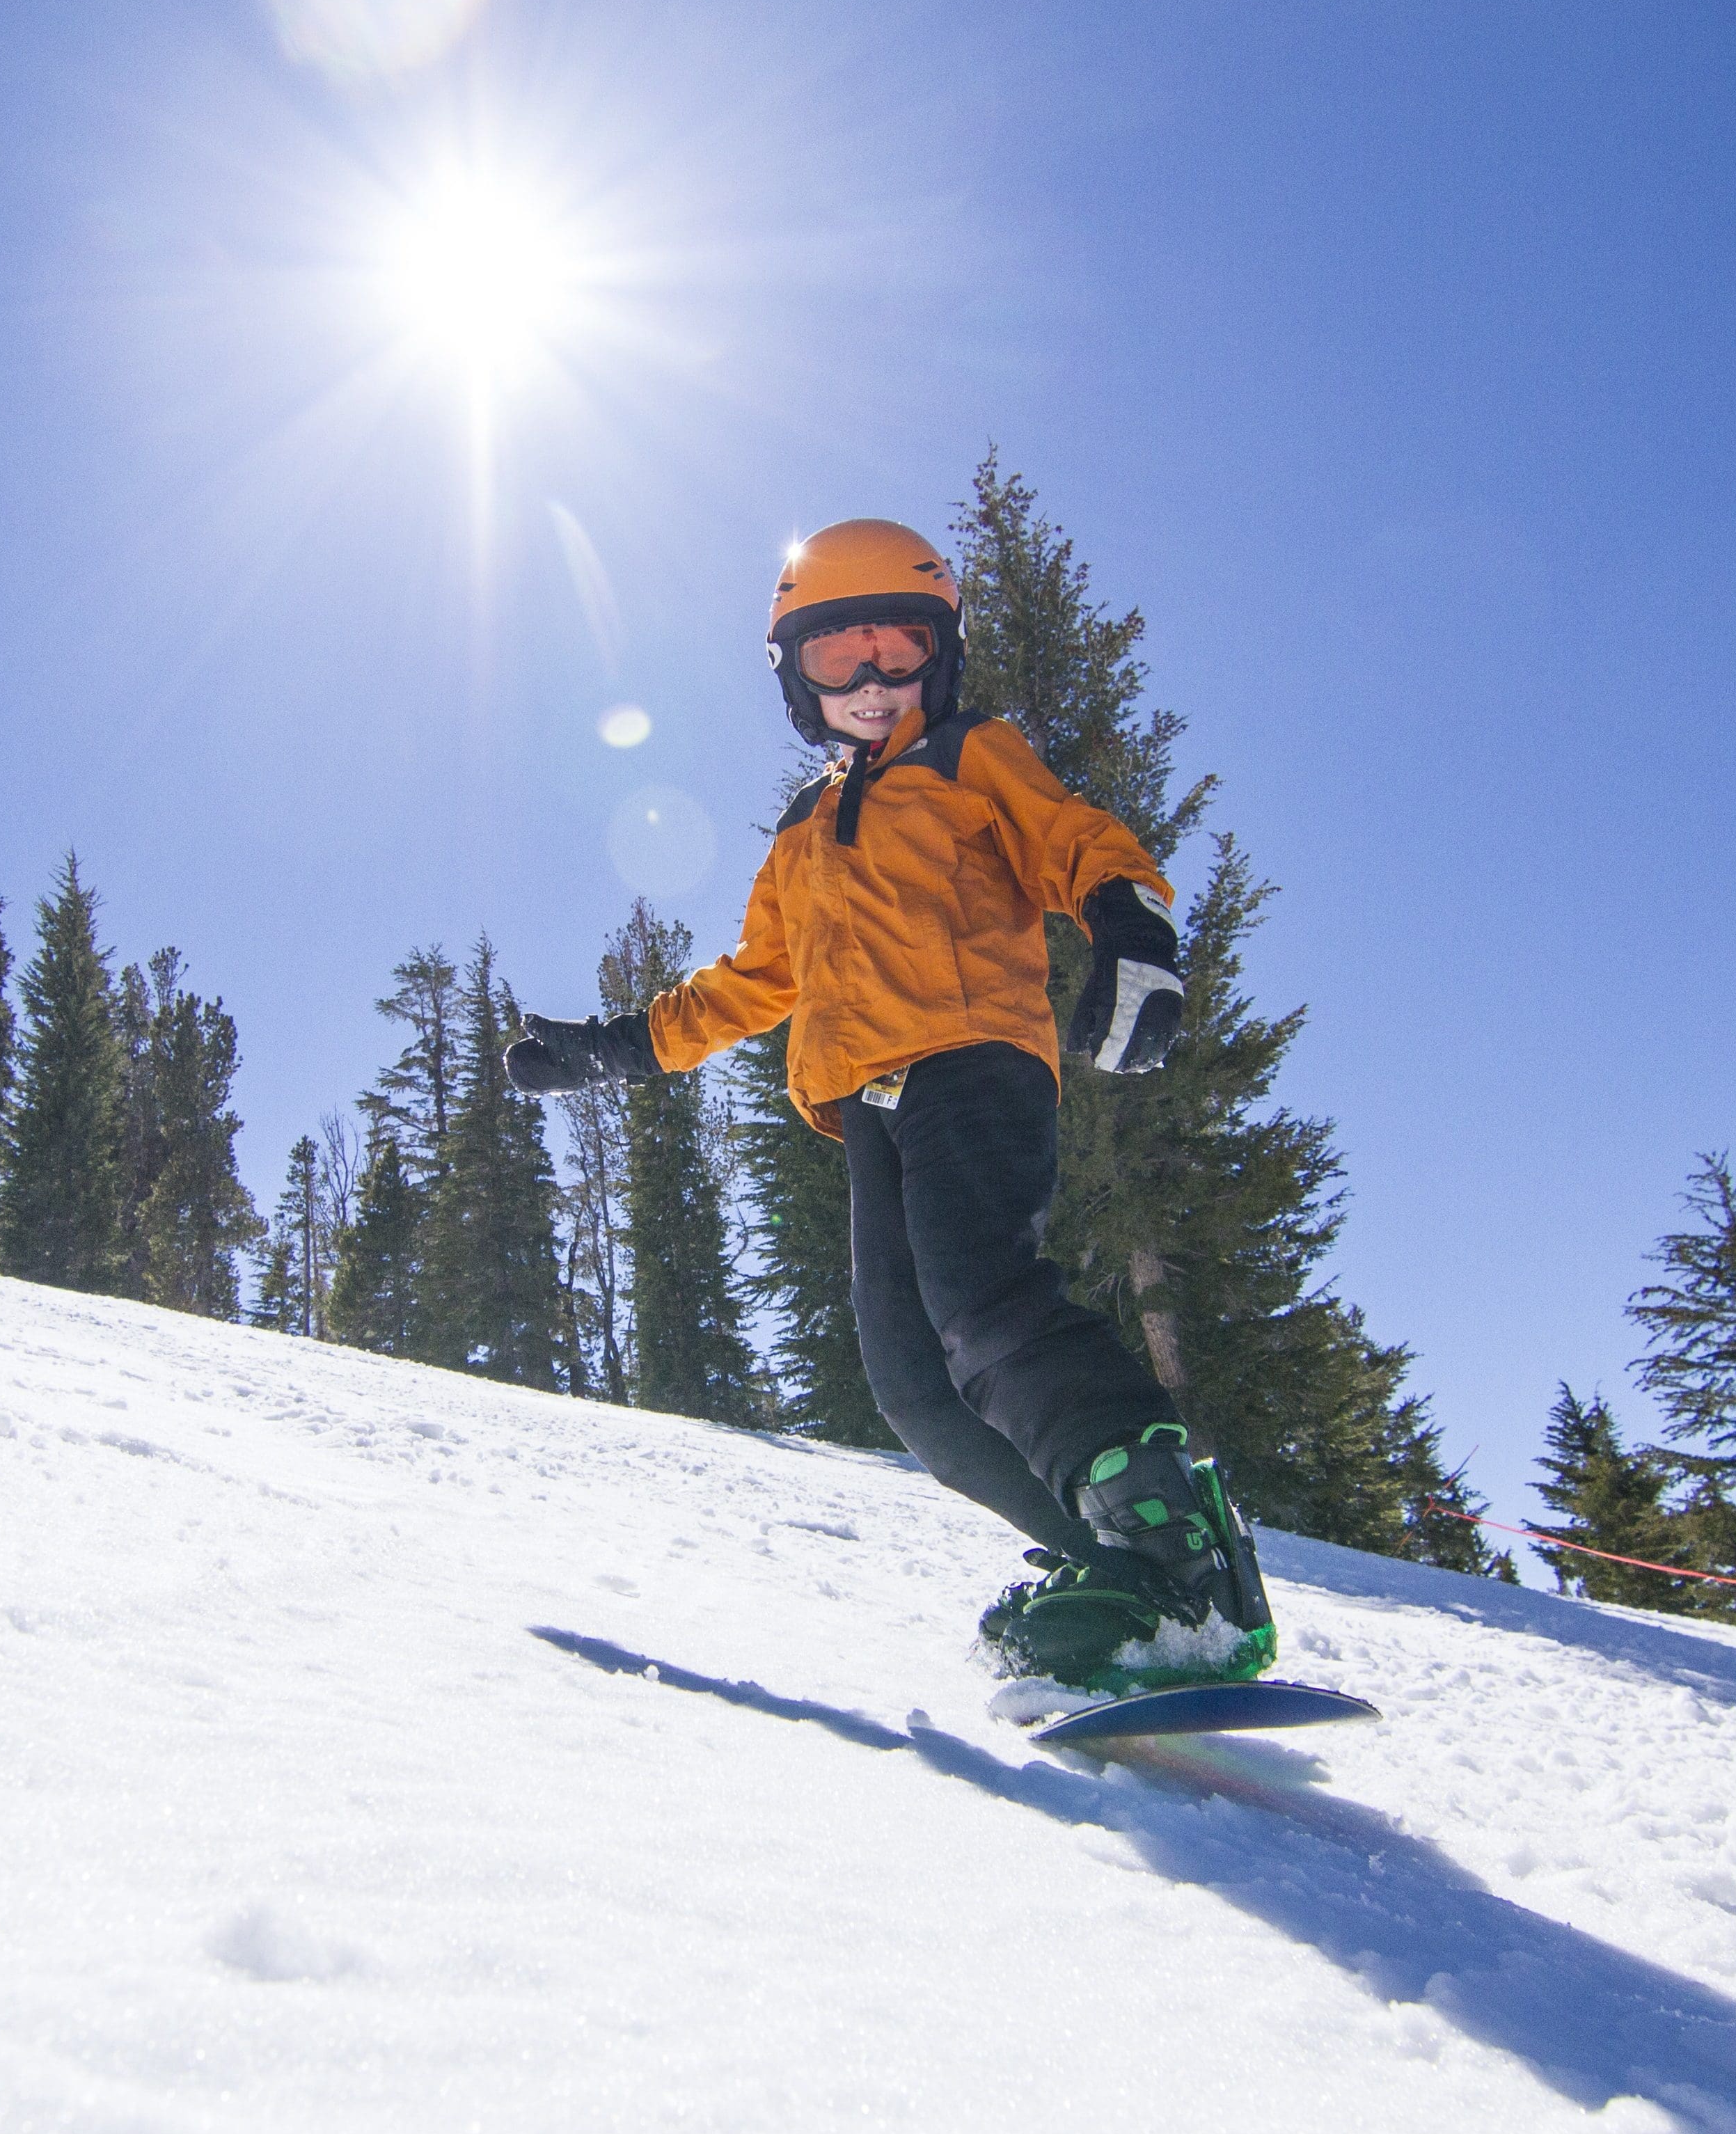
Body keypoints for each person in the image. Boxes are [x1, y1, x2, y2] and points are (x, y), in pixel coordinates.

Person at [507, 518, 1274, 1692]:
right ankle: (1121, 1576)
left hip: (971, 1058)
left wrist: (1129, 926)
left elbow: (1073, 840)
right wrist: (623, 1048)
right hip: (861, 1104)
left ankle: (1180, 1546)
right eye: (837, 657)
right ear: (796, 678)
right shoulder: (803, 834)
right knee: (913, 1384)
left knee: (988, 1301)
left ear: (942, 655)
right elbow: (757, 977)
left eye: (898, 649)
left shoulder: (971, 757)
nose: (871, 682)